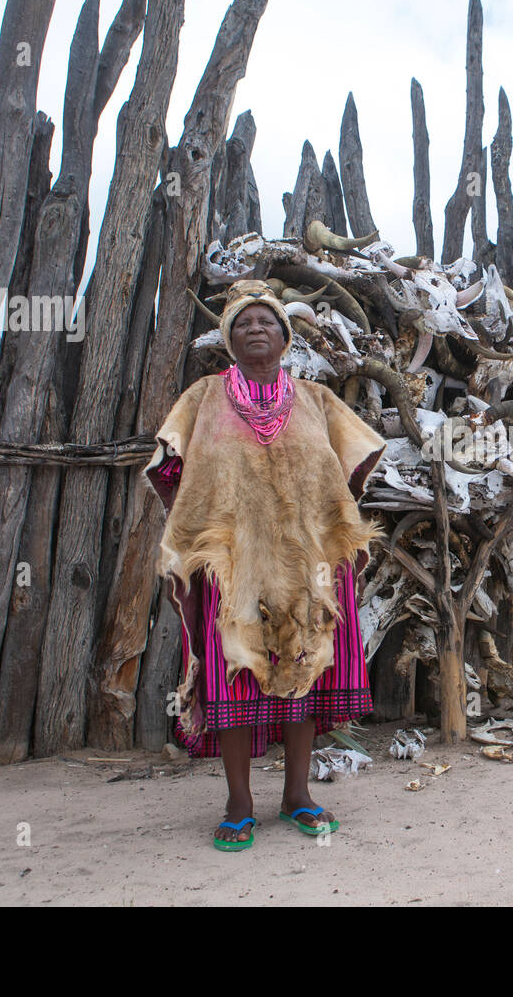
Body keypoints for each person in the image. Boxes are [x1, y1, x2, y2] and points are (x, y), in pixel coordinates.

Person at [143, 280, 386, 850]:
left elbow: (351, 461)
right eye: (243, 323)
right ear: (229, 339)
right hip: (232, 563)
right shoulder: (203, 398)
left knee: (302, 673)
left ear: (285, 337)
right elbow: (170, 464)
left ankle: (297, 796)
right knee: (237, 677)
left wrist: (324, 523)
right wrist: (206, 521)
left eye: (267, 322)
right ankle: (239, 803)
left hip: (307, 564)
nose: (256, 329)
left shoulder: (314, 399)